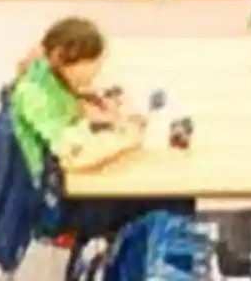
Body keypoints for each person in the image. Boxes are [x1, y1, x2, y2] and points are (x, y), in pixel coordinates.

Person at [11, 18, 192, 273]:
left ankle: (138, 264)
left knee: (171, 198)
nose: (94, 76)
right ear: (67, 59)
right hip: (60, 203)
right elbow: (75, 155)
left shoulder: (46, 72)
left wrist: (93, 100)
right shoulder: (35, 95)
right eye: (90, 70)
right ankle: (134, 269)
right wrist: (128, 139)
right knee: (172, 200)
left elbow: (69, 102)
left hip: (60, 184)